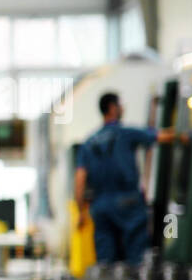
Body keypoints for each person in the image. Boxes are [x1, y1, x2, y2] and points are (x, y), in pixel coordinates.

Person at [74, 92, 173, 265]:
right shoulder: (126, 133)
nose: (123, 108)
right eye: (121, 104)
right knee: (137, 257)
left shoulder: (88, 142)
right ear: (113, 108)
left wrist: (81, 211)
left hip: (101, 205)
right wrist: (184, 136)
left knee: (105, 260)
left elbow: (80, 179)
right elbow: (160, 136)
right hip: (128, 201)